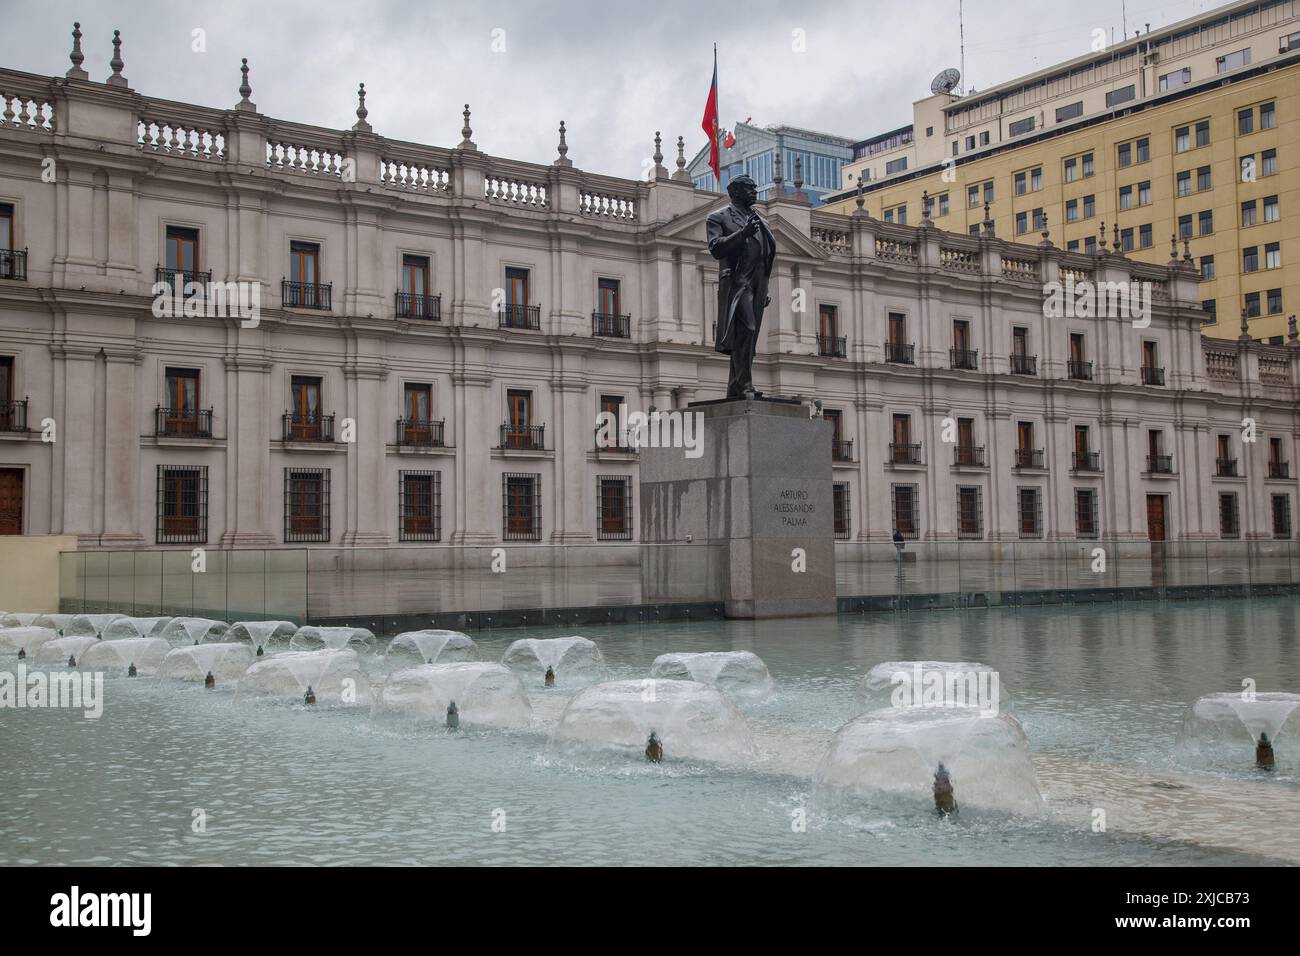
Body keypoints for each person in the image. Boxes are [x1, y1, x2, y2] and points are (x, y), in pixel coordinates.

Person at [707, 174, 776, 400]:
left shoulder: (763, 222)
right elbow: (716, 248)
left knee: (748, 340)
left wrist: (764, 286)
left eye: (754, 187)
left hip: (757, 283)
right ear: (735, 191)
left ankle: (736, 385)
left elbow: (766, 253)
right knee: (747, 328)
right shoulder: (719, 217)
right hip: (738, 281)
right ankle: (744, 384)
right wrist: (742, 233)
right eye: (749, 188)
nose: (754, 191)